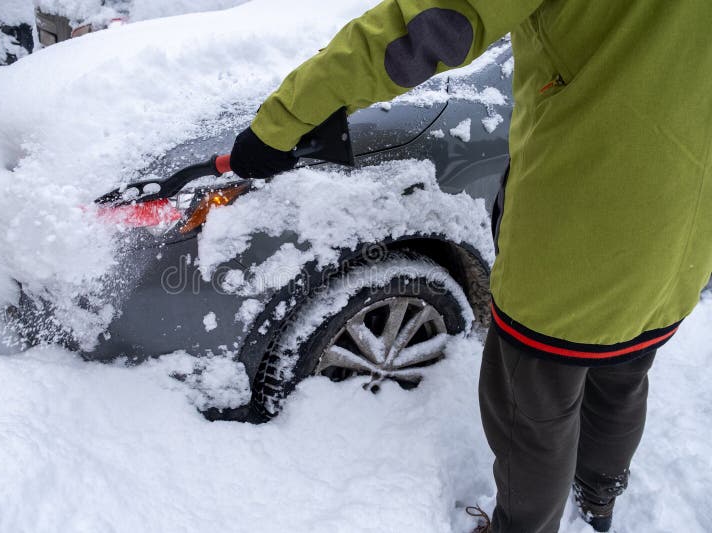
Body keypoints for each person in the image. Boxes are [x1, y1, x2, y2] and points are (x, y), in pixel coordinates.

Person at [228, 1, 712, 532]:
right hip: (686, 227)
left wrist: (286, 119)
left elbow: (431, 22)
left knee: (535, 411)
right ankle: (598, 498)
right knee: (624, 370)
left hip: (580, 226)